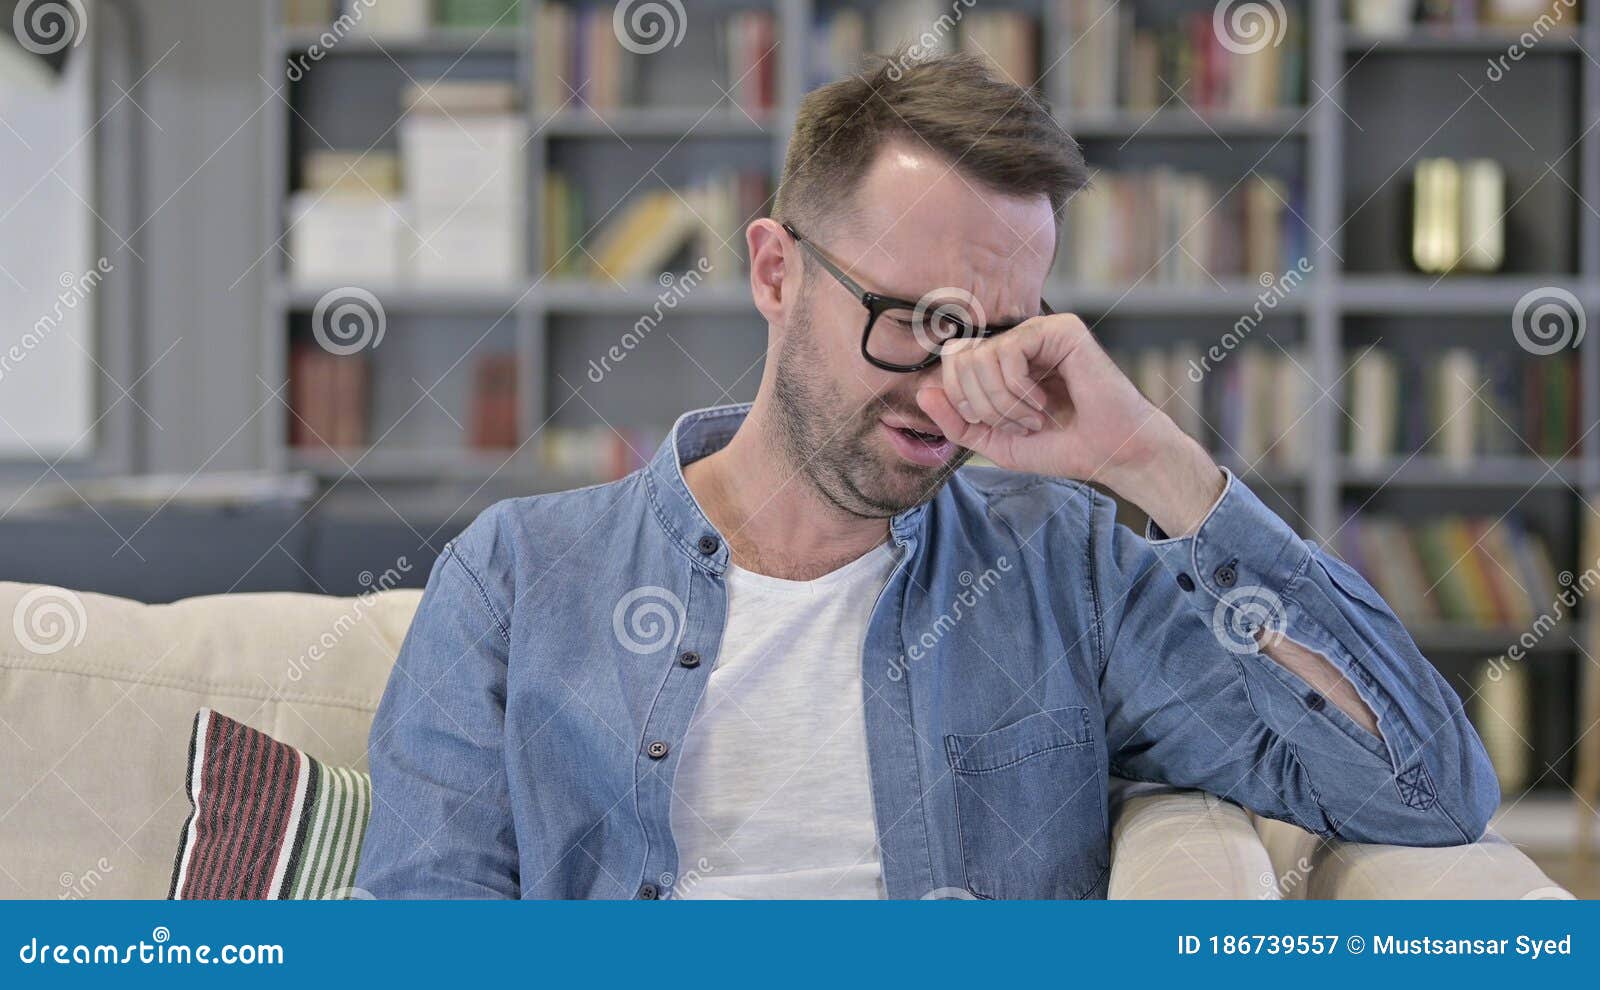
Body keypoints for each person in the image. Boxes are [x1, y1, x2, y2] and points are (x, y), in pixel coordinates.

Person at [355, 50, 1497, 900]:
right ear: (772, 272)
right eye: (918, 322)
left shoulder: (1067, 562)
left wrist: (1152, 460)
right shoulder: (518, 576)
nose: (954, 391)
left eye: (1000, 334)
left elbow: (1423, 795)